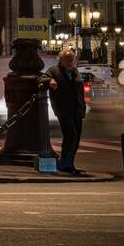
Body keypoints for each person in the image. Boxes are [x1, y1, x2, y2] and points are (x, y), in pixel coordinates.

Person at [44, 47, 86, 175]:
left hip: (77, 109)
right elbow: (41, 78)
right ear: (61, 60)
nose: (70, 61)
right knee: (71, 135)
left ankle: (69, 164)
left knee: (76, 138)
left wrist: (82, 108)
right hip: (63, 109)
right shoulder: (54, 71)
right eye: (67, 59)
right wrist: (49, 80)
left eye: (71, 59)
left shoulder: (74, 71)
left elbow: (80, 91)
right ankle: (65, 165)